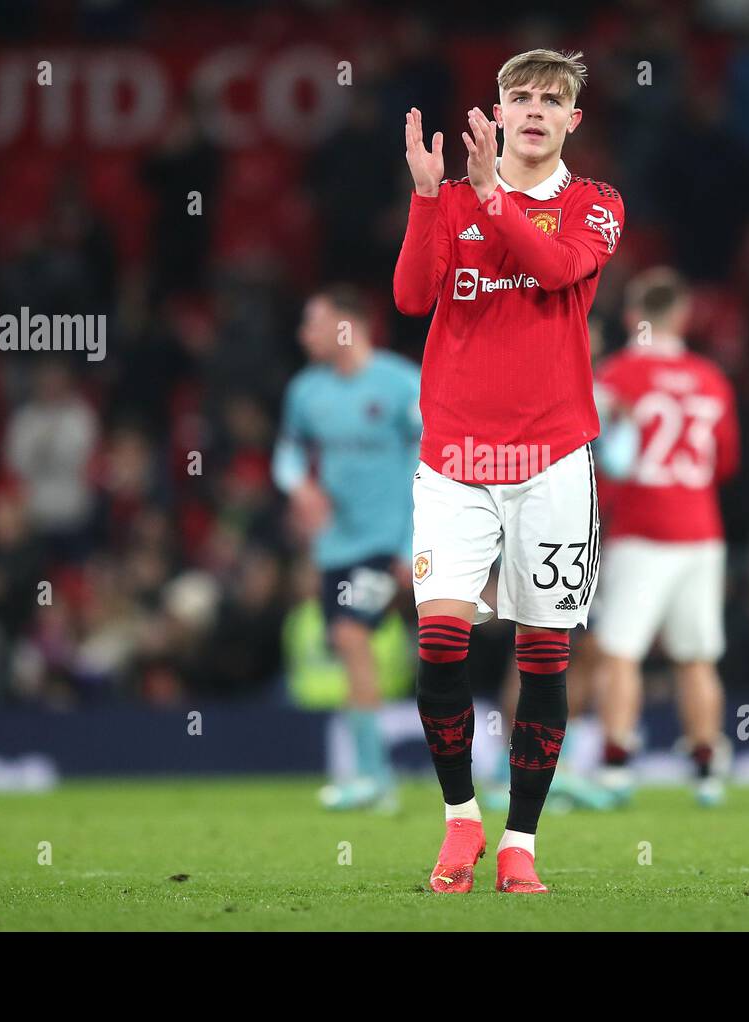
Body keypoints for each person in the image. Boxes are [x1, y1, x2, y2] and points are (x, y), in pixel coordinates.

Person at [394, 48, 624, 894]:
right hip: (455, 456)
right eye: (519, 96)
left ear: (572, 121)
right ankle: (462, 824)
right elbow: (414, 296)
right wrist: (428, 200)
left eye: (550, 100)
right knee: (441, 640)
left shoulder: (593, 205)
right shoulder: (451, 199)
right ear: (496, 107)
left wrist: (492, 197)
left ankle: (521, 841)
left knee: (542, 654)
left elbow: (554, 268)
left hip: (553, 459)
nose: (533, 109)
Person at [591, 267, 739, 808]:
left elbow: (596, 456)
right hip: (700, 531)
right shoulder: (711, 378)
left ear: (633, 317)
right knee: (697, 657)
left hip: (640, 529)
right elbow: (725, 462)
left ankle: (615, 768)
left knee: (620, 653)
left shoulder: (613, 377)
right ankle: (705, 771)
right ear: (682, 317)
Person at [273, 285, 421, 811]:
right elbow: (287, 455)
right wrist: (300, 486)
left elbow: (435, 462)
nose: (304, 334)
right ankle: (374, 778)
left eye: (313, 321)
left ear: (346, 324)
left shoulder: (402, 385)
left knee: (352, 635)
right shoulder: (305, 392)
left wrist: (412, 544)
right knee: (347, 640)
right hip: (336, 546)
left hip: (388, 540)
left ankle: (376, 779)